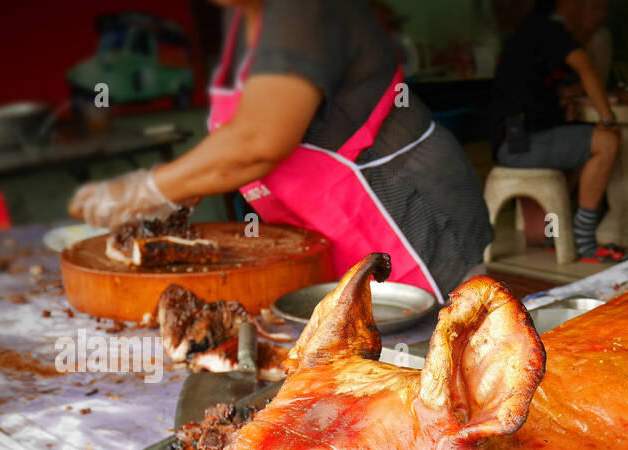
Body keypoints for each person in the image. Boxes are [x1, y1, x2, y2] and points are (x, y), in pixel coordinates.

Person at [69, 0, 491, 300]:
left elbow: (258, 141)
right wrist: (189, 181)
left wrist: (149, 188)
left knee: (426, 373)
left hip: (406, 219)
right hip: (330, 238)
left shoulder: (304, 10)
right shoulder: (247, 22)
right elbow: (238, 129)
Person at [489, 0, 623, 261]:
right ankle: (584, 240)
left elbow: (538, 88)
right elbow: (586, 68)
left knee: (581, 146)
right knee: (606, 142)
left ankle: (556, 234)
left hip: (514, 140)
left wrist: (563, 103)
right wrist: (608, 119)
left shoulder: (531, 29)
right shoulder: (548, 26)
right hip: (518, 144)